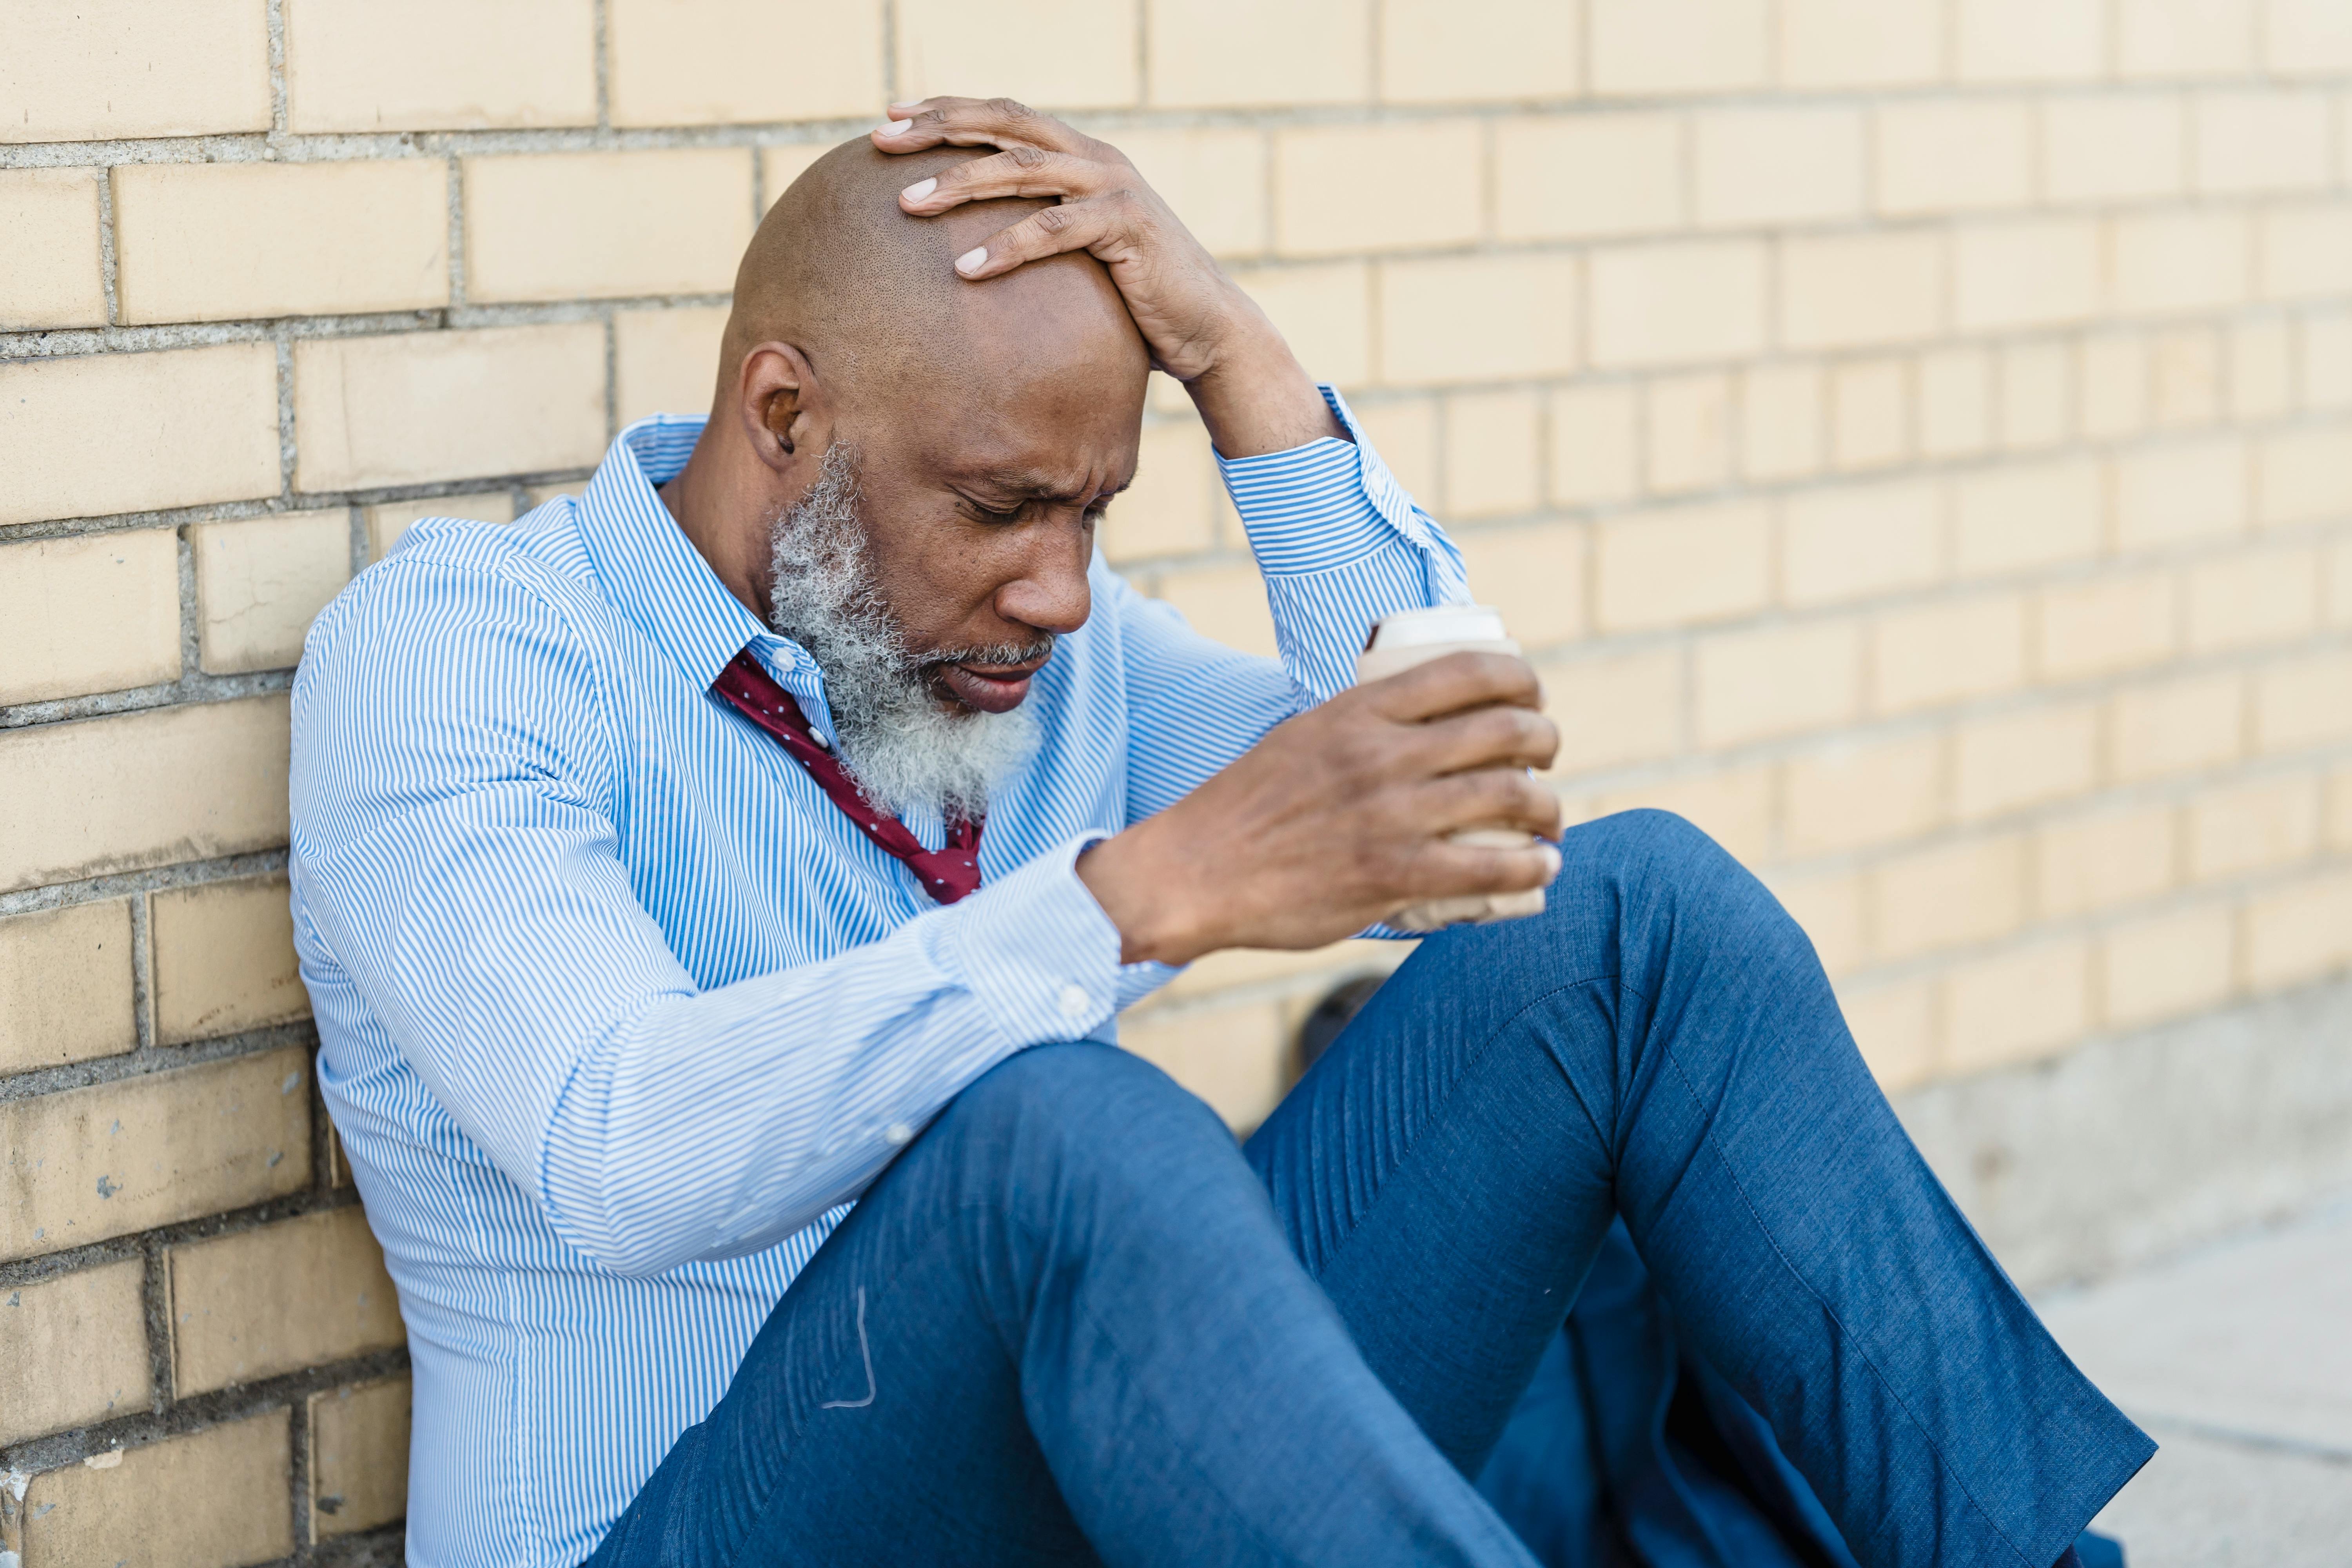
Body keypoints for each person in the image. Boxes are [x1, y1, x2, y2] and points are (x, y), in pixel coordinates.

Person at [289, 99, 2152, 1568]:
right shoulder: (460, 656)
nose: (1065, 593)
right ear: (785, 416)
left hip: (1086, 1488)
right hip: (689, 1531)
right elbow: (613, 1142)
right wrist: (1133, 901)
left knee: (1637, 924)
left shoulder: (1047, 674)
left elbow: (1467, 826)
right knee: (1061, 1131)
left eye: (1096, 511)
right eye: (1008, 507)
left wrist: (1251, 370)